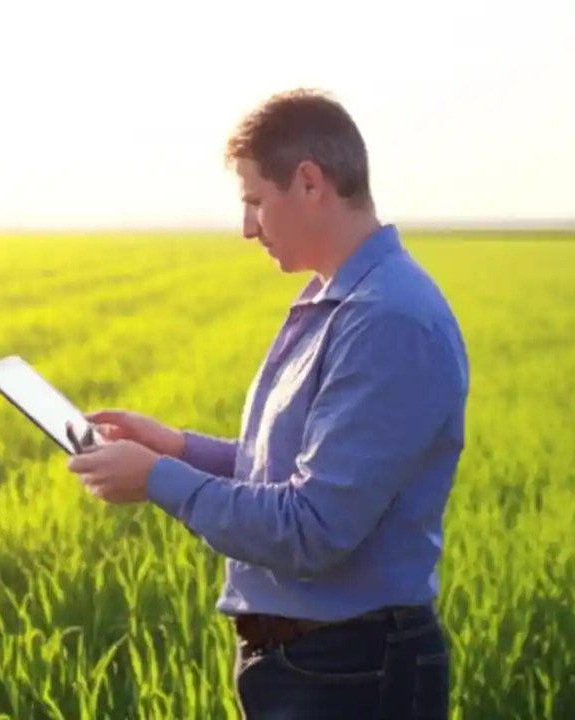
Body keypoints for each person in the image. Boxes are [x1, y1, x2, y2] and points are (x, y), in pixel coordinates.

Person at [65, 88, 469, 719]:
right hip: (316, 666)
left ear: (310, 182)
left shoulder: (386, 319)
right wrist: (175, 446)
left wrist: (159, 479)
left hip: (352, 674)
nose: (247, 226)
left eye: (255, 201)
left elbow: (312, 528)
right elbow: (292, 475)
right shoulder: (333, 301)